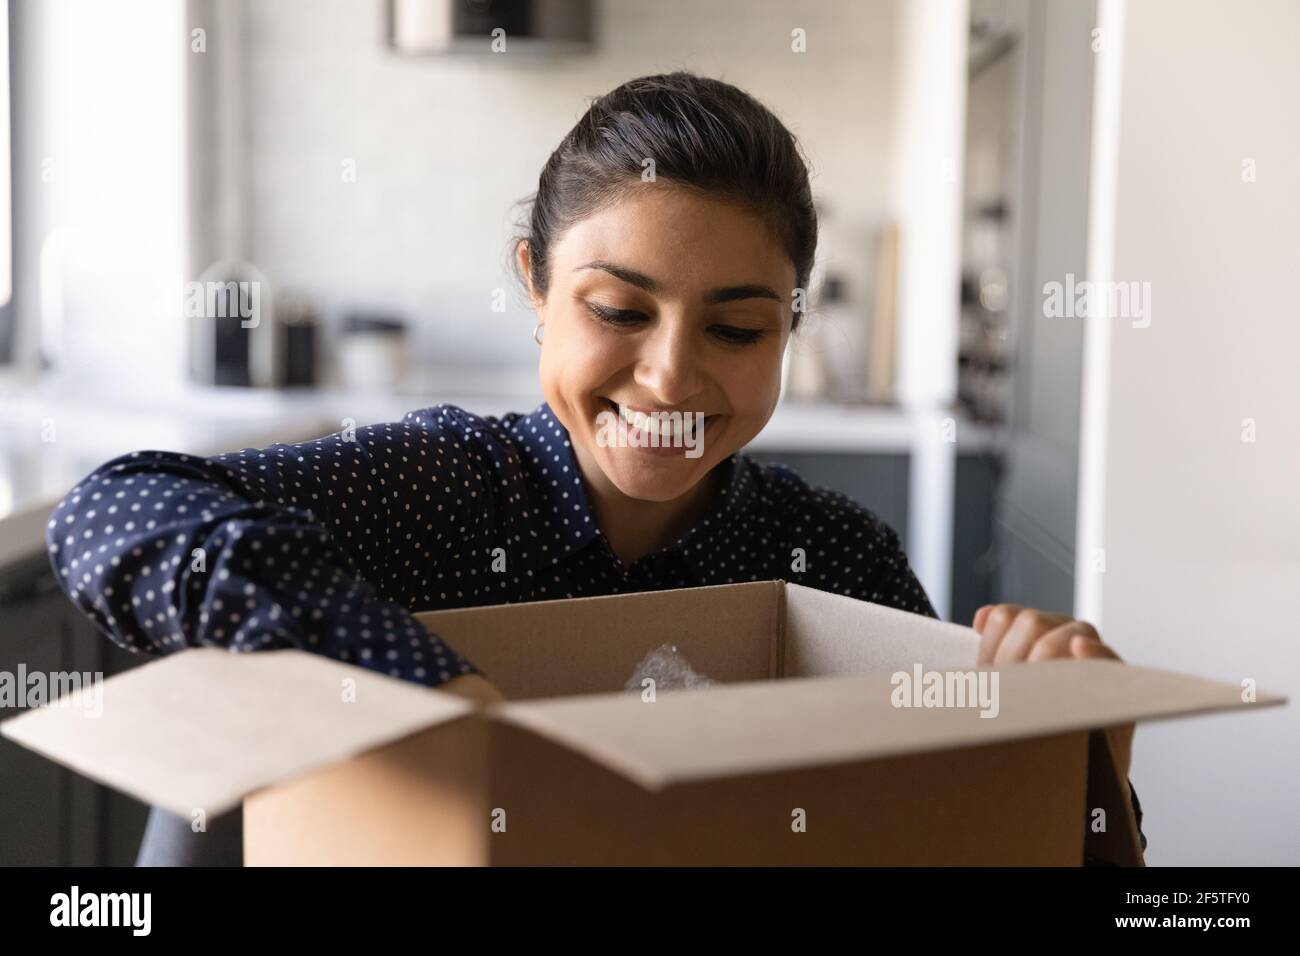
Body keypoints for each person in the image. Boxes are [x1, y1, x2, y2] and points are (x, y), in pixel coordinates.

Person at [47, 71, 1143, 864]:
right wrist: (421, 679)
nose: (669, 377)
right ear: (534, 284)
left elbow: (966, 836)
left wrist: (1079, 752)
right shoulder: (435, 490)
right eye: (618, 309)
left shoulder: (834, 557)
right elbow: (111, 508)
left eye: (739, 329)